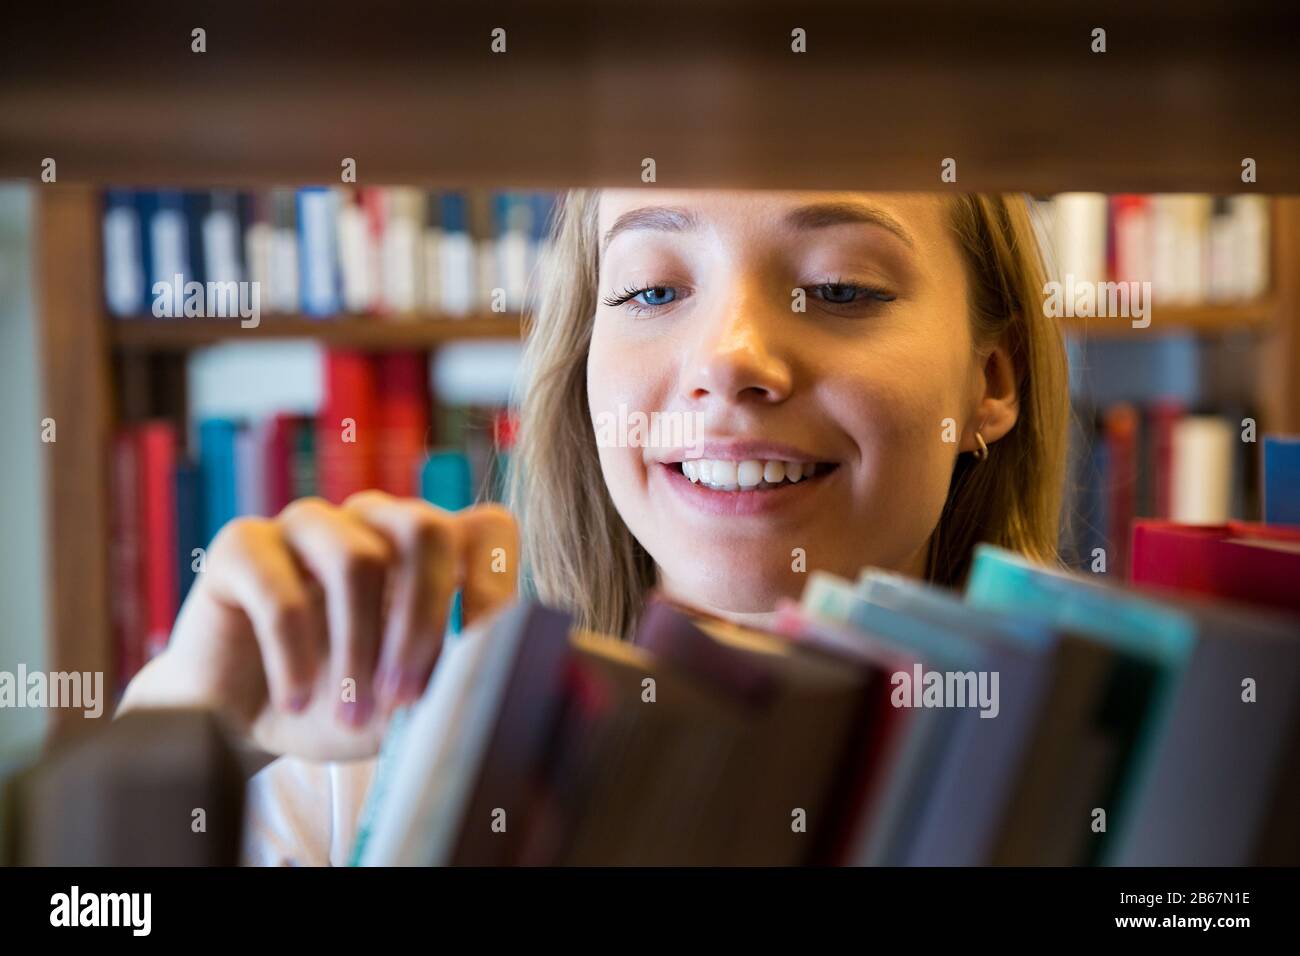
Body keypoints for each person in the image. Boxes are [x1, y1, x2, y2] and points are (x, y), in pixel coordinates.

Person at [118, 189, 1070, 864]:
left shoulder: (1111, 793)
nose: (730, 360)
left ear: (991, 381)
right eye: (653, 289)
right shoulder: (355, 789)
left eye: (841, 288)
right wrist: (175, 736)